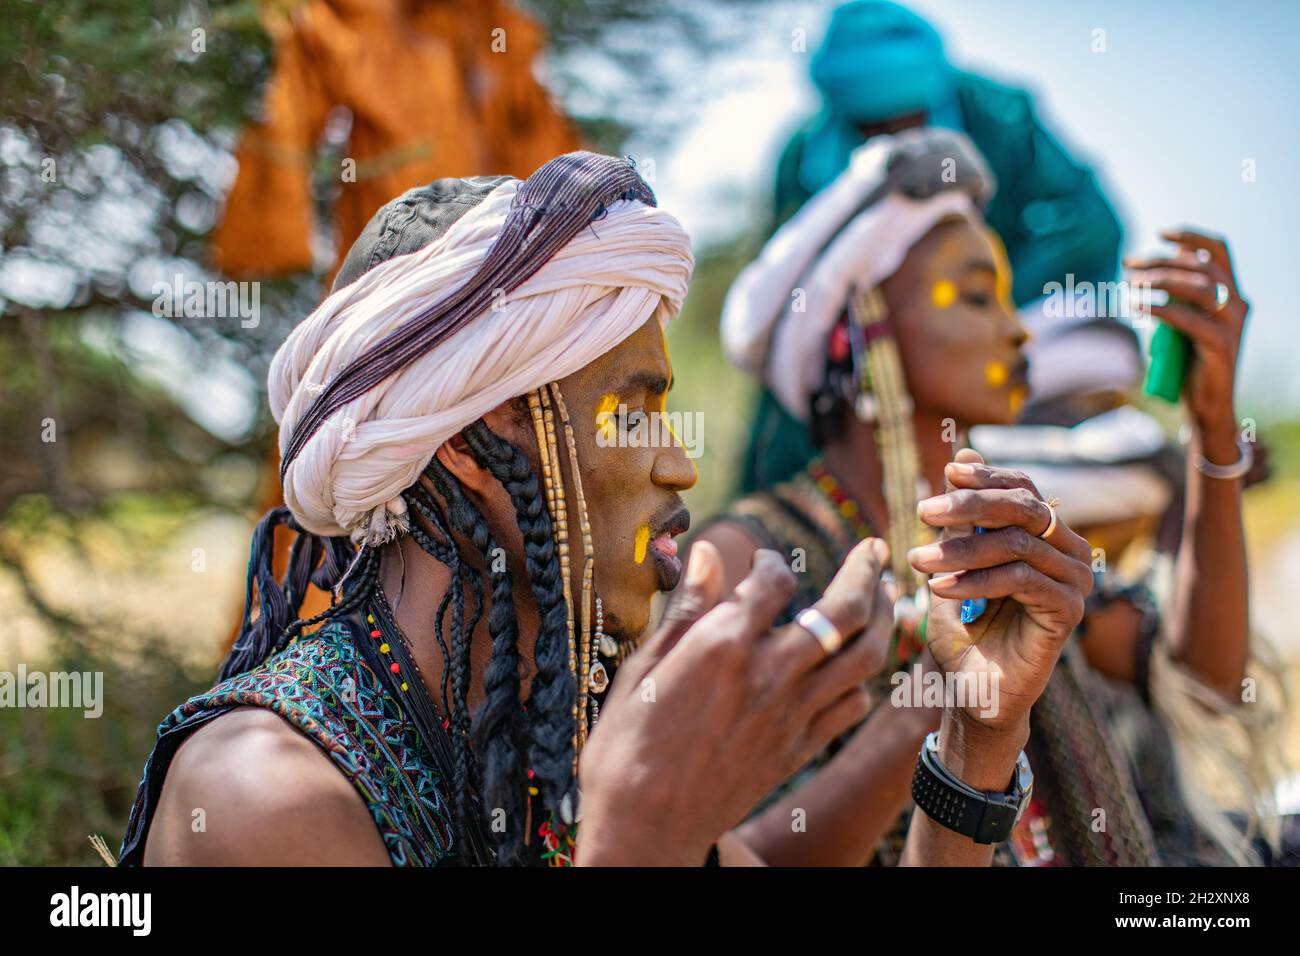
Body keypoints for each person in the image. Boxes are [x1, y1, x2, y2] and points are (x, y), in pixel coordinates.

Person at [116, 152, 1093, 866]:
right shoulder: (265, 790)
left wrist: (973, 734)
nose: (676, 462)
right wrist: (637, 843)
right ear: (471, 442)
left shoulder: (558, 750)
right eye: (633, 409)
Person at [701, 127, 1269, 865]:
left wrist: (1213, 426)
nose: (1017, 333)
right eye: (976, 296)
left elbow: (1203, 679)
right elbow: (732, 853)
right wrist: (946, 704)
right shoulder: (750, 557)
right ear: (861, 326)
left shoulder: (1016, 528)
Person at [744, 0, 1124, 491]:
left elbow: (1093, 228)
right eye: (875, 130)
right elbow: (790, 307)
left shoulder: (1001, 117)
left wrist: (980, 305)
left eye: (910, 123)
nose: (898, 146)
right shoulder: (803, 160)